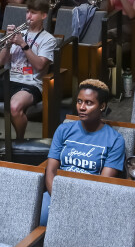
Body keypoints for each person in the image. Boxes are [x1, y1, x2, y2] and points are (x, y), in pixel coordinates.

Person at [41, 79, 126, 223]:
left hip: (91, 198)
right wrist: (57, 197)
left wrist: (78, 204)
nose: (82, 107)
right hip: (58, 192)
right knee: (37, 218)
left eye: (89, 103)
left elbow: (103, 183)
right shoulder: (64, 129)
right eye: (79, 101)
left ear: (102, 106)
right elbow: (51, 171)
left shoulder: (115, 140)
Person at [0, 0, 56, 140]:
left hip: (31, 82)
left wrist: (23, 44)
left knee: (14, 107)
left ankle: (20, 140)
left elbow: (39, 65)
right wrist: (7, 44)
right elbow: (2, 61)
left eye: (33, 13)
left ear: (44, 16)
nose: (29, 16)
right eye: (27, 12)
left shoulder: (48, 39)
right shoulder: (20, 33)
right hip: (9, 79)